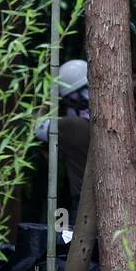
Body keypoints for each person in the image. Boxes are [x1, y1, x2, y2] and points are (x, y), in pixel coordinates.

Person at [33, 58, 92, 209]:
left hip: (84, 205)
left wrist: (49, 100)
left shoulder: (72, 126)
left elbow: (37, 127)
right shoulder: (108, 124)